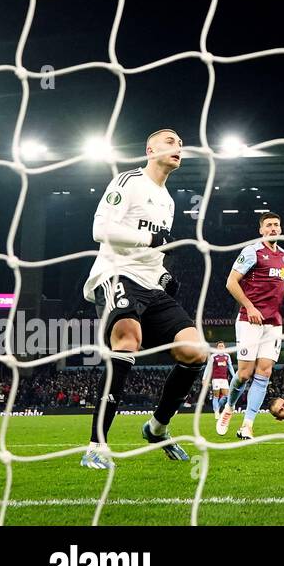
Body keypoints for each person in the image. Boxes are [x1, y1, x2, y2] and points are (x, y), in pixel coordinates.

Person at [80, 128, 206, 468]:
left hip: (150, 284)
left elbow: (155, 250)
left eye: (180, 143)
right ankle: (96, 446)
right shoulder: (129, 181)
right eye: (170, 141)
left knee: (195, 351)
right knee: (127, 340)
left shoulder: (168, 200)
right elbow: (100, 229)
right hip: (115, 274)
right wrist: (146, 238)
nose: (178, 146)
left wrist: (163, 273)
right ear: (149, 149)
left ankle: (156, 428)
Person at [218, 212, 284, 439]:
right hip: (249, 320)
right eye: (269, 225)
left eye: (276, 225)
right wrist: (250, 307)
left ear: (280, 229)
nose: (273, 228)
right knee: (244, 374)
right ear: (261, 230)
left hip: (273, 322)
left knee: (265, 372)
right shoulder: (252, 251)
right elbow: (231, 282)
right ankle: (229, 406)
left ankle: (247, 425)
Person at [206, 341, 233, 416]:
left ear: (224, 347)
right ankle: (216, 412)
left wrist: (234, 376)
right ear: (217, 348)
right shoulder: (213, 356)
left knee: (226, 396)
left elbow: (230, 367)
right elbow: (208, 367)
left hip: (224, 379)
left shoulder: (227, 356)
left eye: (222, 346)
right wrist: (204, 378)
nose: (221, 347)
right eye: (219, 346)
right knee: (216, 396)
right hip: (216, 379)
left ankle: (217, 408)